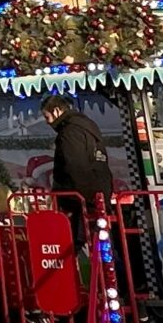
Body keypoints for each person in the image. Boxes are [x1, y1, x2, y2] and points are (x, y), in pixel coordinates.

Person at [42, 94, 111, 248]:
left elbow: (74, 166)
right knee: (101, 245)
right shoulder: (87, 126)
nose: (47, 122)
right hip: (99, 191)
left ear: (57, 111)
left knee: (78, 246)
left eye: (47, 117)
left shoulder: (69, 132)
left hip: (81, 200)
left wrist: (67, 197)